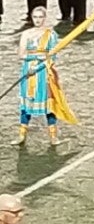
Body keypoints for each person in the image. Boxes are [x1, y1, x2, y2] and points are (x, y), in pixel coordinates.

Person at [15, 8, 71, 147]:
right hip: (28, 72)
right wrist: (36, 58)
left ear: (45, 18)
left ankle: (53, 137)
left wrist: (39, 65)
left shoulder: (51, 35)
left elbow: (52, 58)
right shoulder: (26, 34)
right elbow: (21, 54)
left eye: (40, 17)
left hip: (44, 73)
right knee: (26, 104)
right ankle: (21, 135)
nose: (38, 20)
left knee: (48, 105)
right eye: (35, 17)